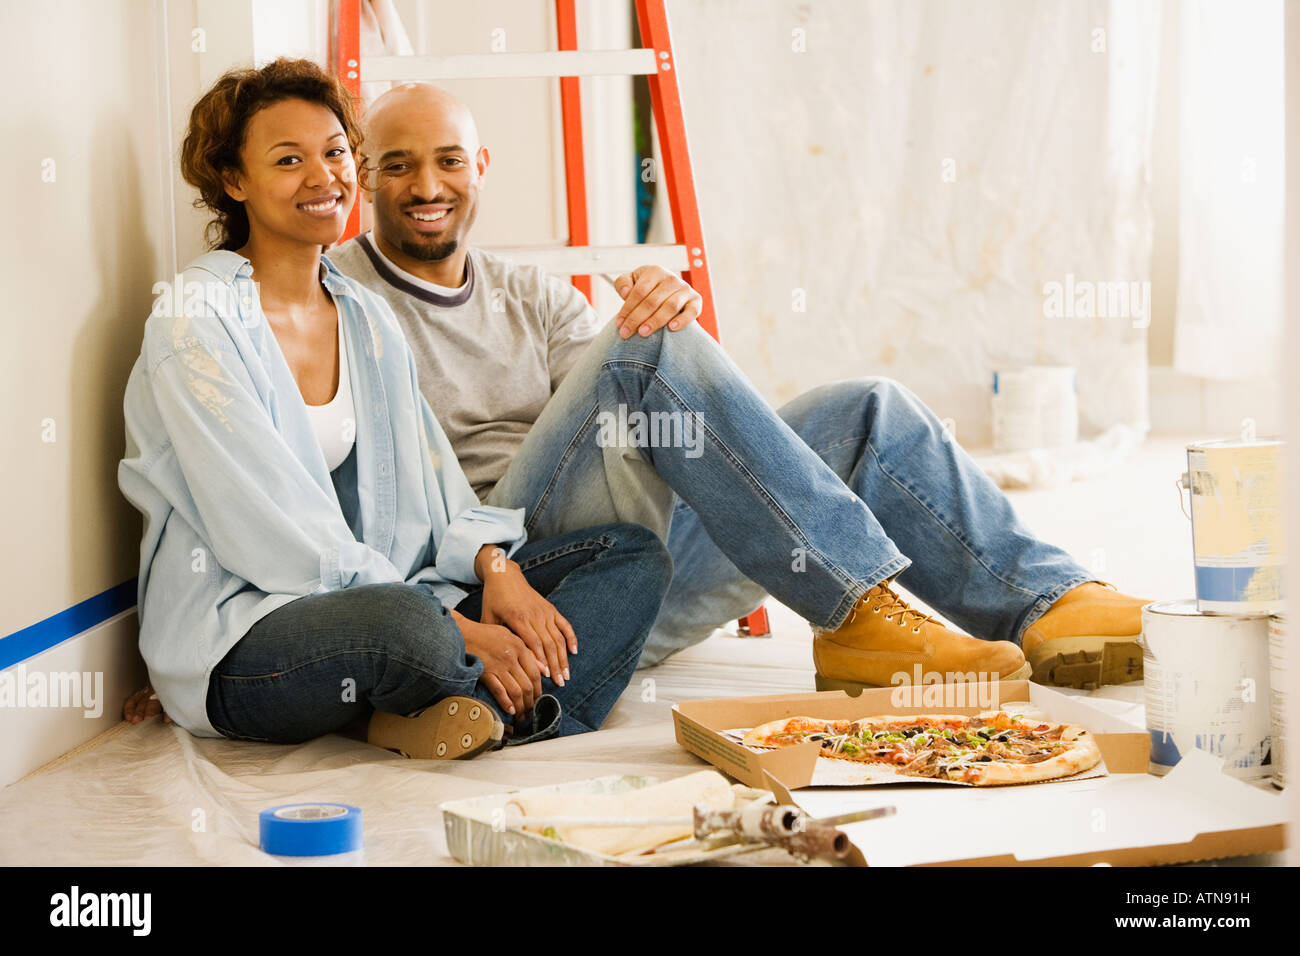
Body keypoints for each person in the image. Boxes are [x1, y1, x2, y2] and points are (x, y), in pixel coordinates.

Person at [324, 81, 1150, 693]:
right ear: (365, 173)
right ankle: (857, 611)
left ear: (481, 167)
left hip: (636, 572)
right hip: (515, 588)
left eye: (447, 162)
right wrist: (645, 344)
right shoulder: (343, 299)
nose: (426, 187)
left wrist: (667, 318)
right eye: (397, 166)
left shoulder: (530, 295)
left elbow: (632, 422)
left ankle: (1047, 604)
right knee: (640, 348)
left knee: (868, 412)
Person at [117, 58, 673, 755]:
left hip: (386, 600)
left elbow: (439, 493)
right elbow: (273, 536)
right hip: (250, 636)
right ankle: (467, 699)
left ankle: (472, 715)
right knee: (405, 631)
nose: (323, 178)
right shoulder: (196, 320)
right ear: (234, 180)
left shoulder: (365, 317)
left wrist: (495, 570)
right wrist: (461, 629)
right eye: (289, 160)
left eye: (336, 153)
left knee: (629, 555)